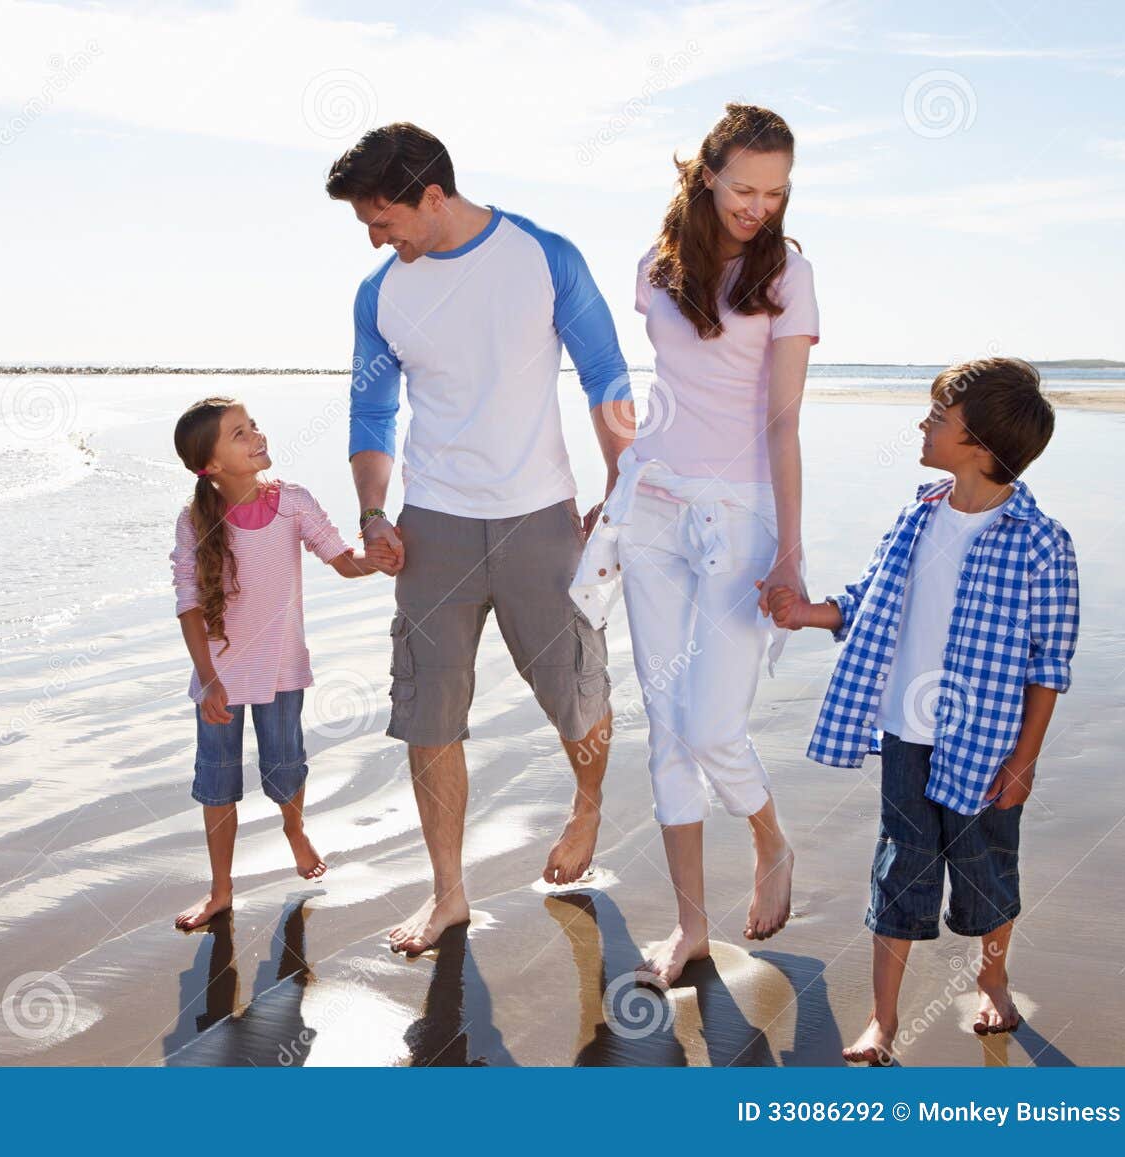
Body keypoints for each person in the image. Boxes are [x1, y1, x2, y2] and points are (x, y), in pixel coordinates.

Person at [326, 122, 634, 954]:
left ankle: (588, 804)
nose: (374, 235)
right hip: (434, 525)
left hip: (541, 515)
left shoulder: (545, 256)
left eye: (382, 218)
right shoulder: (380, 292)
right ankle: (449, 893)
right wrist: (372, 512)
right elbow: (371, 410)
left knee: (577, 690)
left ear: (433, 195)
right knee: (429, 712)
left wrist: (621, 483)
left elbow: (606, 372)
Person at [764, 357, 1080, 1064]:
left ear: (979, 442)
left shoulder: (1041, 543)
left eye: (939, 416)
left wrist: (1024, 761)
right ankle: (883, 1021)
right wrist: (807, 612)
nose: (924, 423)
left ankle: (992, 977)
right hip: (906, 735)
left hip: (987, 744)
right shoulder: (917, 513)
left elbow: (1048, 666)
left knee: (987, 869)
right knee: (898, 869)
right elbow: (869, 598)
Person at [570, 104, 817, 983]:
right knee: (667, 730)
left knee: (713, 724)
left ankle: (770, 839)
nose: (760, 205)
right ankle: (690, 928)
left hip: (740, 515)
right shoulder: (656, 269)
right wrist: (613, 489)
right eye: (745, 187)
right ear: (706, 173)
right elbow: (653, 389)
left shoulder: (787, 270)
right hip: (653, 511)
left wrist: (789, 550)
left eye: (777, 191)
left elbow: (783, 420)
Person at [169, 396, 393, 933]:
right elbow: (189, 604)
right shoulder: (193, 520)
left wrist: (379, 560)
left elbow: (343, 560)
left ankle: (294, 830)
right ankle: (221, 889)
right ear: (211, 465)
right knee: (217, 781)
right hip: (219, 677)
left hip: (280, 669)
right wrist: (209, 679)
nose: (256, 436)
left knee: (284, 766)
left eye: (253, 426)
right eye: (238, 434)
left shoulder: (292, 501)